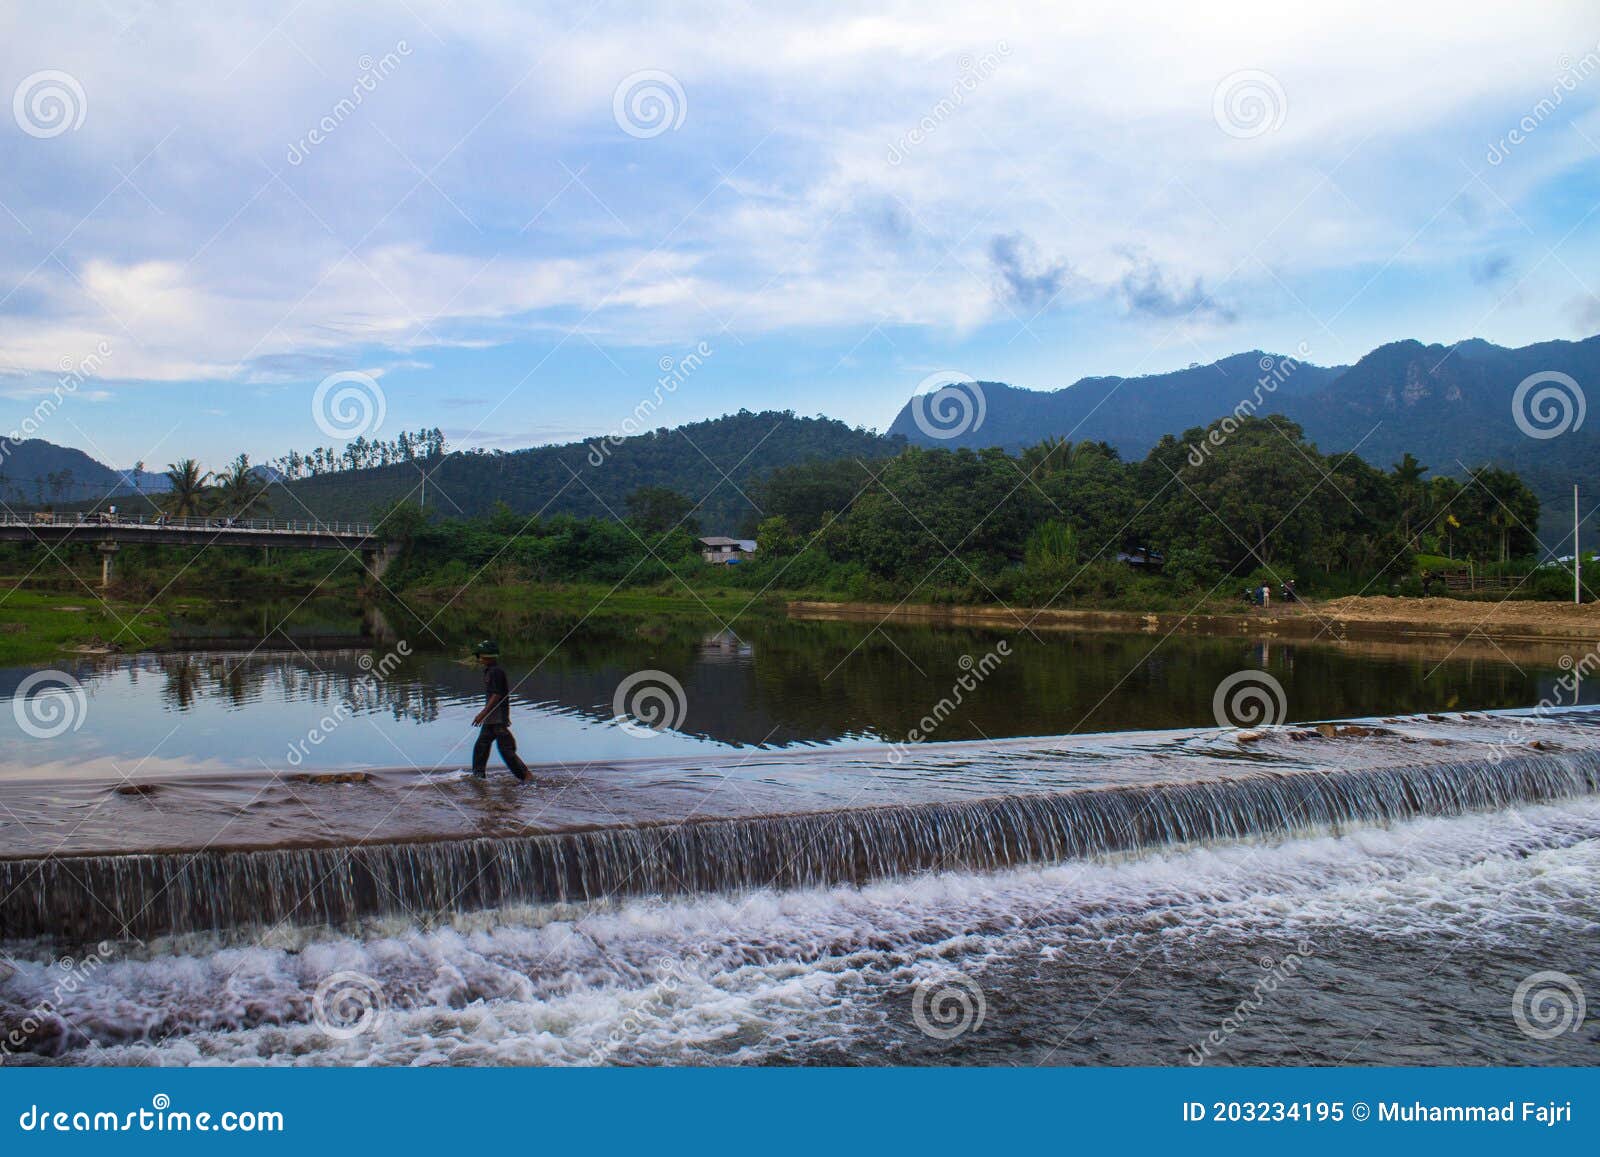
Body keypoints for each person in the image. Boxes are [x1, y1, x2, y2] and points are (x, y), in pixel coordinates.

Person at [470, 640, 530, 782]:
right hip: (492, 719)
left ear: (488, 656)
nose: (479, 659)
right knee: (481, 748)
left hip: (496, 719)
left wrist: (482, 714)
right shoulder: (490, 670)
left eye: (480, 655)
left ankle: (526, 777)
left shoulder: (496, 672)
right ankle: (478, 778)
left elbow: (497, 695)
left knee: (506, 750)